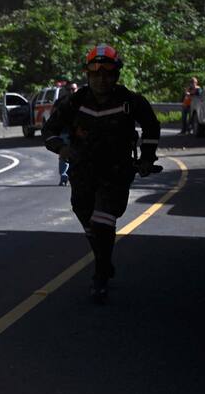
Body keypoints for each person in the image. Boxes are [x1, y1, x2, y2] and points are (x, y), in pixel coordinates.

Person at [43, 44, 161, 303]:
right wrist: (63, 149)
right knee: (88, 221)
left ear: (116, 75)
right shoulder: (74, 102)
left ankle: (100, 276)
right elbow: (49, 132)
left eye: (107, 74)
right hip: (82, 173)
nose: (101, 79)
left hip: (116, 172)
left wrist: (147, 158)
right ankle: (104, 263)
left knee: (102, 221)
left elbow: (152, 126)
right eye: (95, 73)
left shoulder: (130, 101)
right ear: (87, 74)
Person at [57, 82, 80, 186]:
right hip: (65, 132)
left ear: (77, 89)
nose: (71, 91)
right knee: (64, 155)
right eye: (69, 89)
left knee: (78, 155)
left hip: (79, 133)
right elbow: (54, 117)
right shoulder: (60, 102)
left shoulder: (83, 101)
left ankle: (76, 176)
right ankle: (64, 177)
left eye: (73, 89)